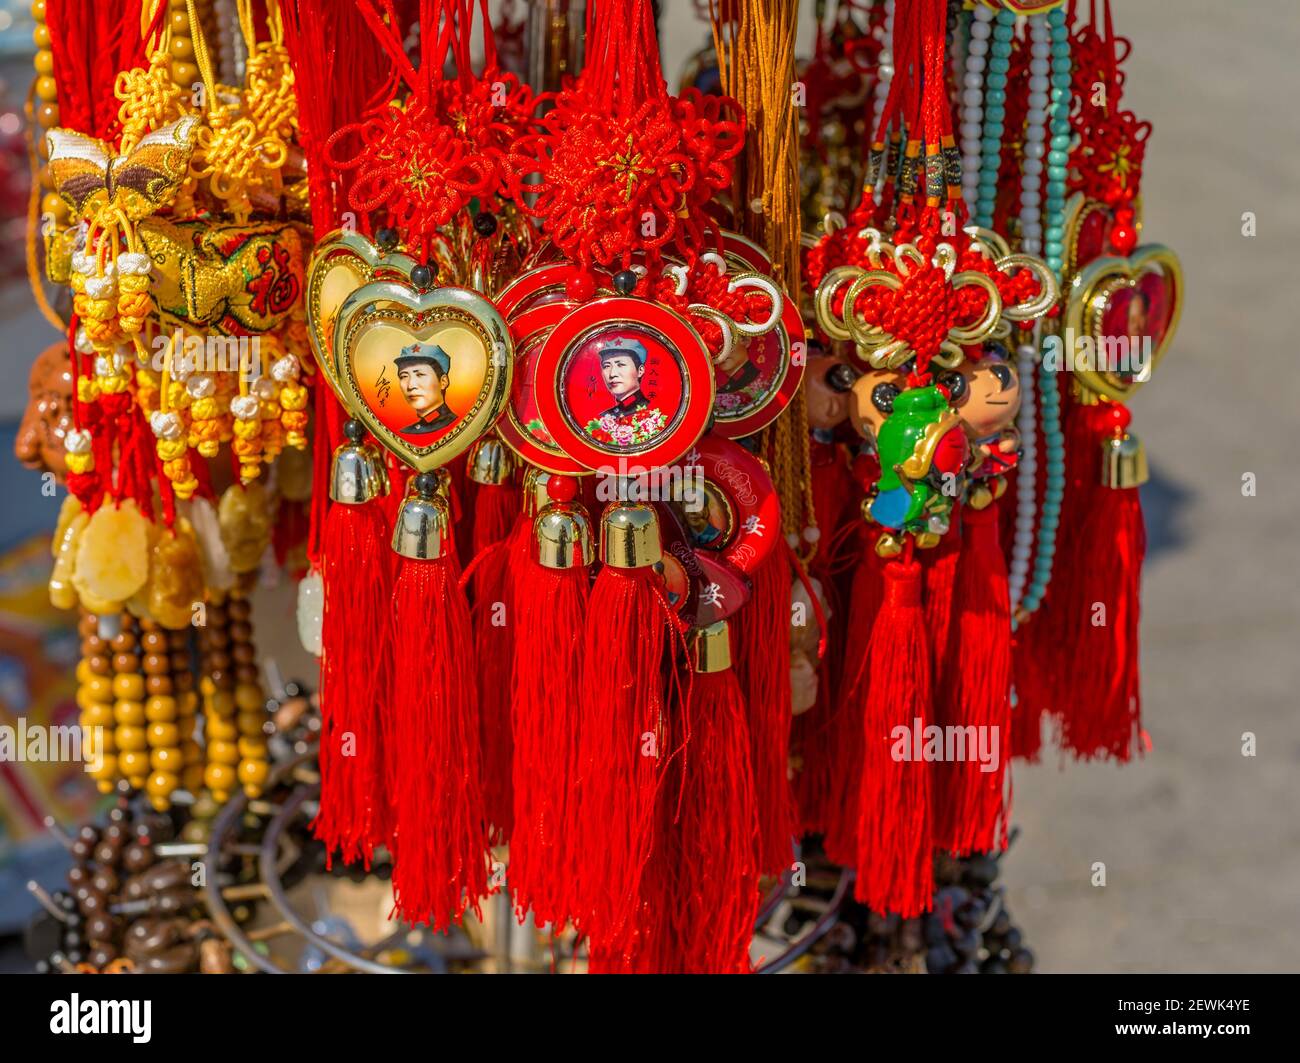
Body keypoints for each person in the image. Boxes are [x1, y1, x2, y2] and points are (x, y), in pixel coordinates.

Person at [395, 342, 456, 434]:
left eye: (420, 374)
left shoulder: (454, 424)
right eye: (403, 376)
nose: (411, 386)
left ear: (443, 382)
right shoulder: (407, 432)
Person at [597, 336, 650, 419]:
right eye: (606, 366)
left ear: (640, 370)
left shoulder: (652, 412)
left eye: (620, 365)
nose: (612, 374)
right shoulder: (605, 418)